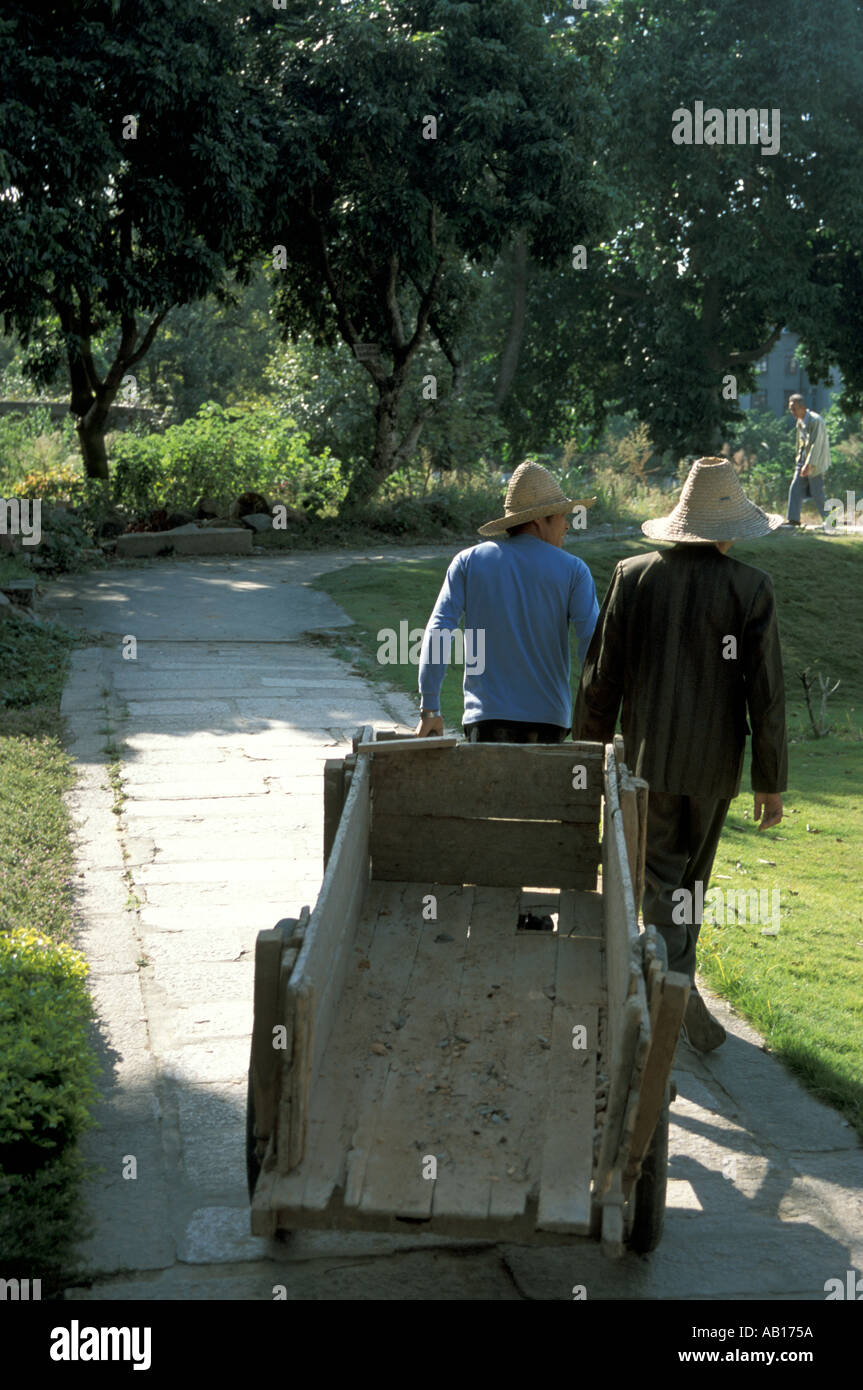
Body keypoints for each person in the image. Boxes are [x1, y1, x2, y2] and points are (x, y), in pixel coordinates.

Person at [573, 458, 788, 1052]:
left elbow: (602, 677)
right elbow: (765, 693)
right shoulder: (750, 588)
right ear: (728, 531)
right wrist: (770, 781)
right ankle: (676, 988)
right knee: (689, 881)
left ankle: (670, 985)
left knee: (661, 879)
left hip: (648, 760)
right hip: (714, 768)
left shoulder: (633, 575)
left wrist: (586, 751)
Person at [415, 461, 599, 745]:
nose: (567, 525)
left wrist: (430, 708)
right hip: (549, 723)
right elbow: (593, 644)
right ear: (539, 520)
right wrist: (594, 715)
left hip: (485, 722)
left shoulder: (468, 562)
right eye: (562, 516)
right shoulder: (574, 570)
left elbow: (440, 630)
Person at [786, 393, 831, 526]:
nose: (791, 412)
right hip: (803, 460)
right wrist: (799, 461)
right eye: (790, 409)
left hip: (815, 461)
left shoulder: (815, 420)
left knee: (817, 492)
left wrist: (808, 464)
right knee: (795, 488)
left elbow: (815, 445)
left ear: (802, 407)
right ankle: (793, 519)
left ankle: (830, 522)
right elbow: (800, 443)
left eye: (794, 409)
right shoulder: (800, 421)